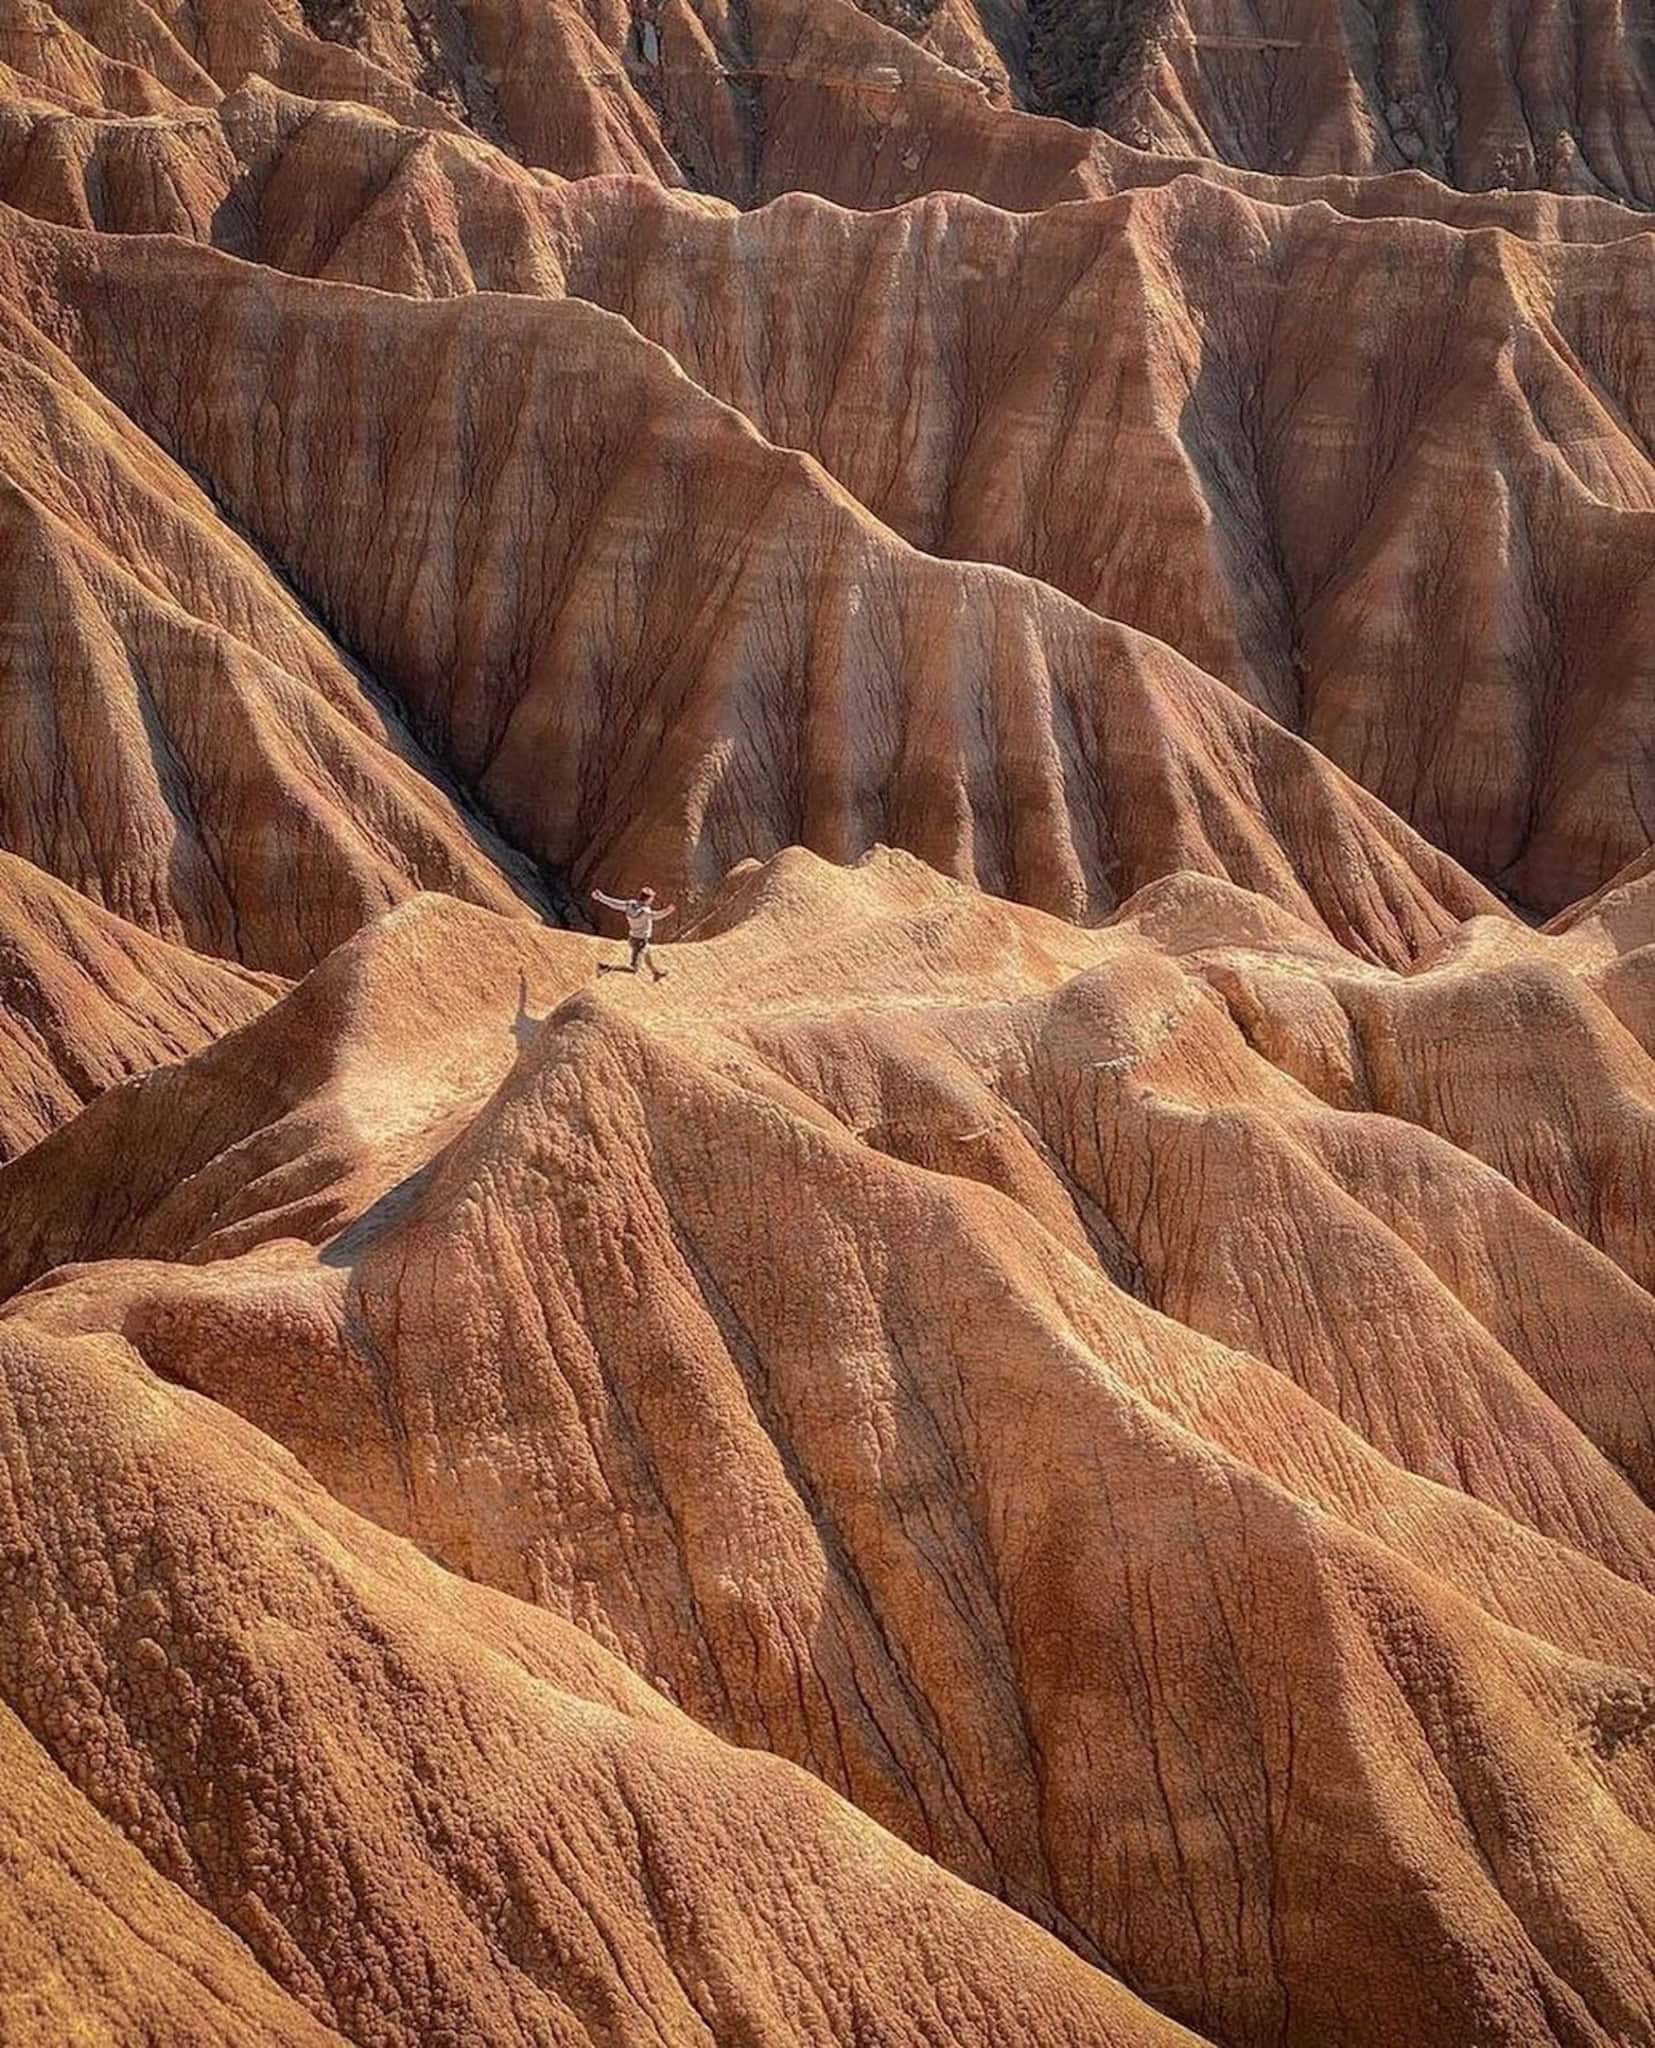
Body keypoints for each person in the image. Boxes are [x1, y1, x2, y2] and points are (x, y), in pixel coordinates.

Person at [591, 884, 676, 980]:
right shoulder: (645, 912)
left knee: (647, 953)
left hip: (633, 938)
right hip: (640, 941)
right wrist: (668, 911)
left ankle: (656, 973)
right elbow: (656, 916)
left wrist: (601, 897)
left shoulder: (630, 905)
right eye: (652, 898)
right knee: (634, 968)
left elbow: (615, 904)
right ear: (648, 899)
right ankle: (606, 968)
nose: (652, 900)